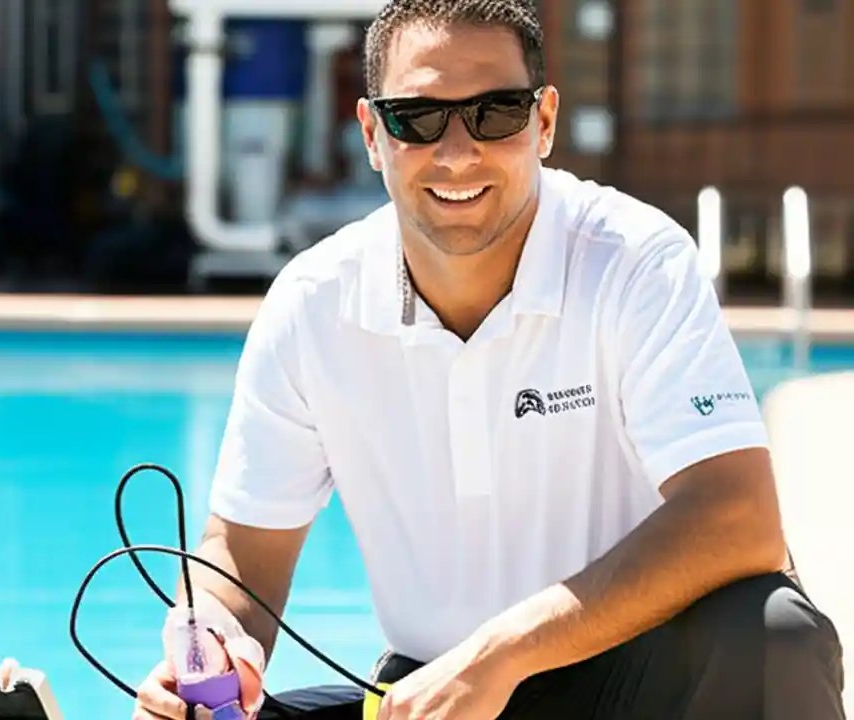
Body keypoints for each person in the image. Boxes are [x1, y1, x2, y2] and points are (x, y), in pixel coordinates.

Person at [133, 1, 846, 718]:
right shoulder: (313, 304)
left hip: (641, 684)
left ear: (544, 122)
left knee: (777, 633)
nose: (457, 152)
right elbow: (241, 557)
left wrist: (502, 654)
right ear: (373, 134)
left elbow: (740, 516)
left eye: (495, 113)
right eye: (417, 118)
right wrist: (212, 642)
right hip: (435, 692)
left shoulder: (634, 264)